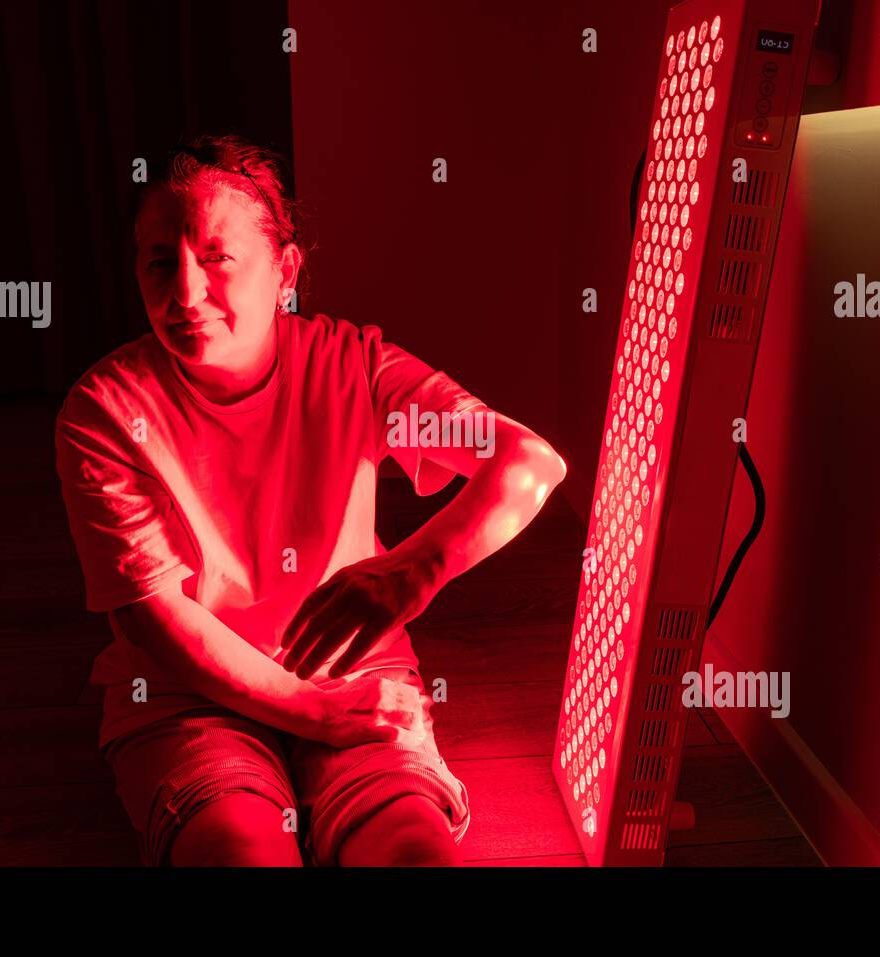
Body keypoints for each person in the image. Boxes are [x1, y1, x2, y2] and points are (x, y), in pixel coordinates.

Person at [54, 134, 567, 866]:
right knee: (239, 851)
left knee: (410, 852)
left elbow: (529, 462)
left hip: (350, 666)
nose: (185, 293)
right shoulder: (104, 411)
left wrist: (411, 569)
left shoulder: (353, 366)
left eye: (217, 258)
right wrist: (311, 712)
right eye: (160, 262)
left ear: (286, 269)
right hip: (187, 692)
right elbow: (157, 619)